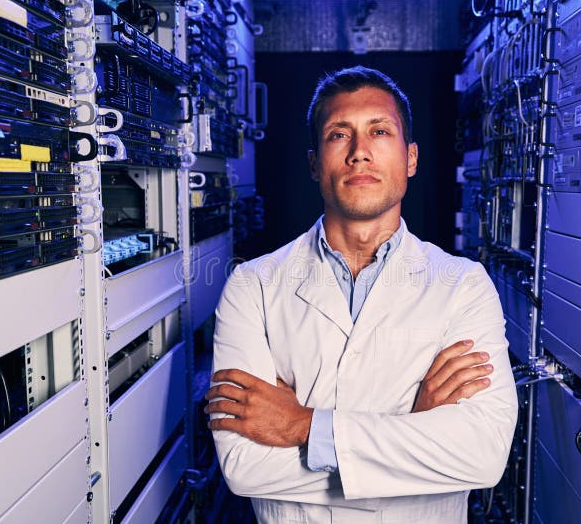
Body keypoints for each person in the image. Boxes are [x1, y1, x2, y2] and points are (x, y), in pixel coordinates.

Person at [205, 66, 518, 523]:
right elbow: (244, 467)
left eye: (380, 131)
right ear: (315, 163)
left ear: (410, 158)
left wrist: (302, 425)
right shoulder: (252, 285)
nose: (360, 153)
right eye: (338, 135)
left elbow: (483, 455)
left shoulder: (463, 285)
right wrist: (414, 432)